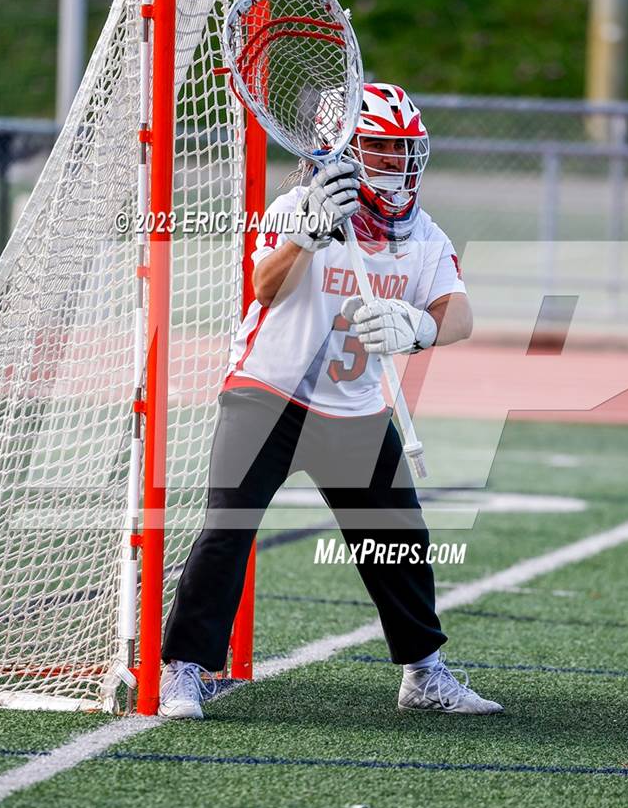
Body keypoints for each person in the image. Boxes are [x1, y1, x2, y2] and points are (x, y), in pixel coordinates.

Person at [158, 83, 503, 720]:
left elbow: (459, 313)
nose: (395, 165)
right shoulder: (298, 204)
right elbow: (263, 286)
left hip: (357, 406)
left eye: (404, 151)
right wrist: (307, 237)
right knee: (228, 527)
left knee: (400, 541)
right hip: (270, 394)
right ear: (339, 146)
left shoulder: (421, 231)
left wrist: (418, 326)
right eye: (377, 148)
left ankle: (423, 673)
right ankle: (183, 668)